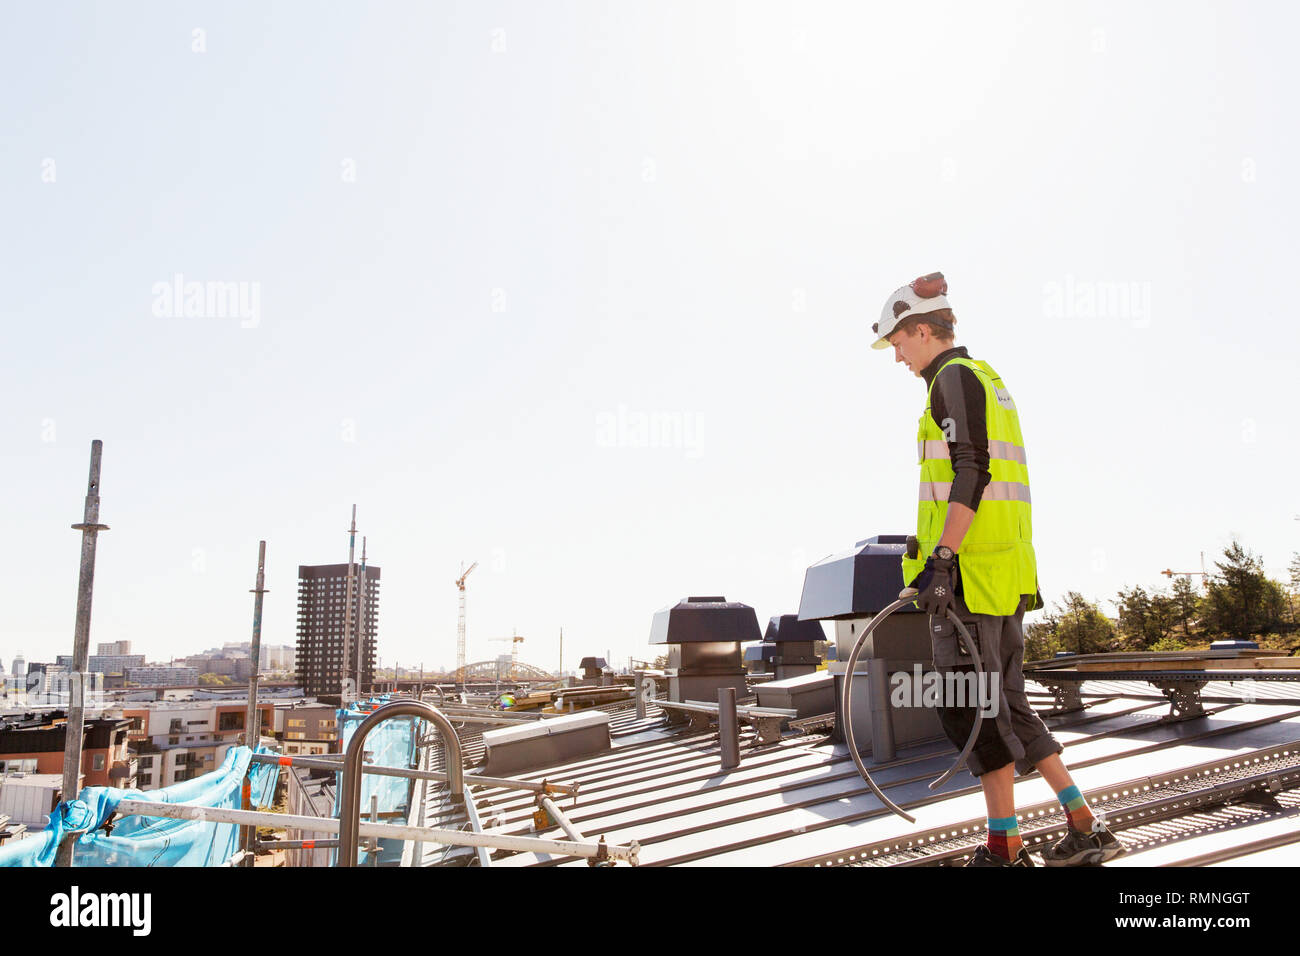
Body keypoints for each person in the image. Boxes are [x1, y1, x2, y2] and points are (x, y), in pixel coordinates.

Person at [873, 272, 1126, 867]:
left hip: (973, 580)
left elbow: (971, 470)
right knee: (1007, 703)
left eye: (899, 345)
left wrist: (941, 559)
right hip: (1001, 573)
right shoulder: (988, 379)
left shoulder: (951, 379)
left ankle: (1003, 848)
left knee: (973, 705)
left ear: (921, 330)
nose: (899, 358)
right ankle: (1087, 827)